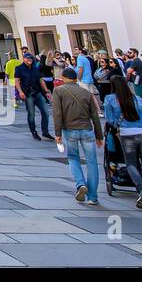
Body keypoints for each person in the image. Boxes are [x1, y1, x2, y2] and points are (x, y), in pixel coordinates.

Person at [103, 73, 142, 208]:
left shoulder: (110, 99)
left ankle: (141, 189)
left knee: (131, 163)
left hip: (127, 134)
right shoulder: (137, 98)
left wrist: (118, 125)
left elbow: (110, 119)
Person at [52, 67, 102, 205]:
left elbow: (57, 113)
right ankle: (92, 197)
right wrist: (99, 135)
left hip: (70, 130)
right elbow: (94, 115)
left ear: (63, 77)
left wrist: (57, 133)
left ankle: (80, 184)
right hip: (87, 130)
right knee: (92, 162)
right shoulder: (86, 92)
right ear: (75, 78)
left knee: (73, 158)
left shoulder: (59, 91)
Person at [15, 50, 51, 140]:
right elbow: (17, 81)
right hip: (28, 94)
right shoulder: (19, 68)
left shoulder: (35, 67)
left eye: (31, 58)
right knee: (31, 114)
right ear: (24, 59)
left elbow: (40, 80)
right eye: (28, 58)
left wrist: (46, 91)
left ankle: (45, 132)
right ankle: (34, 132)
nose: (30, 60)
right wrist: (20, 92)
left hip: (38, 92)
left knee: (46, 113)